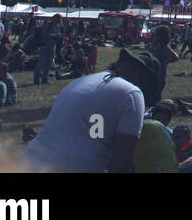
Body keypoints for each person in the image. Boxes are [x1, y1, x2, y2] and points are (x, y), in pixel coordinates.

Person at [24, 48, 161, 172]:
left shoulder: (84, 81)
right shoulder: (132, 94)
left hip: (27, 162)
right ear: (144, 76)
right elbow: (122, 164)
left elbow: (92, 133)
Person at [135, 101, 181, 173]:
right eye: (158, 119)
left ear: (168, 121)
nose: (160, 122)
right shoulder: (142, 131)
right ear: (152, 117)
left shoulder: (171, 134)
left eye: (164, 119)